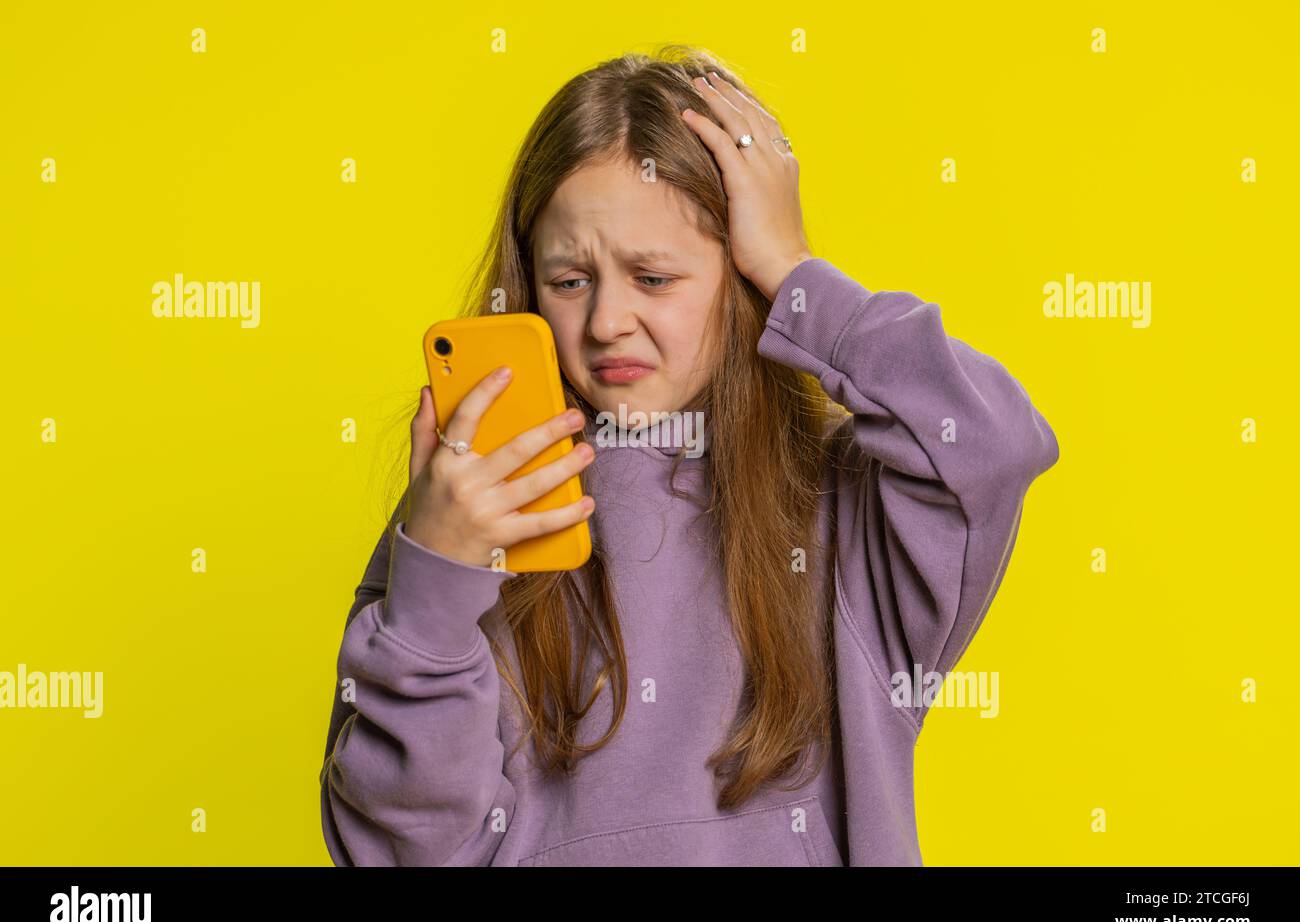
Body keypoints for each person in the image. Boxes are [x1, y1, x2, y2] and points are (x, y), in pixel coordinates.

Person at [319, 45, 1060, 866]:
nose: (606, 322)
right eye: (570, 281)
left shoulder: (838, 510)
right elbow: (401, 850)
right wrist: (435, 586)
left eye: (654, 276)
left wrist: (795, 271)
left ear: (739, 273)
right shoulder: (465, 510)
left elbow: (991, 446)